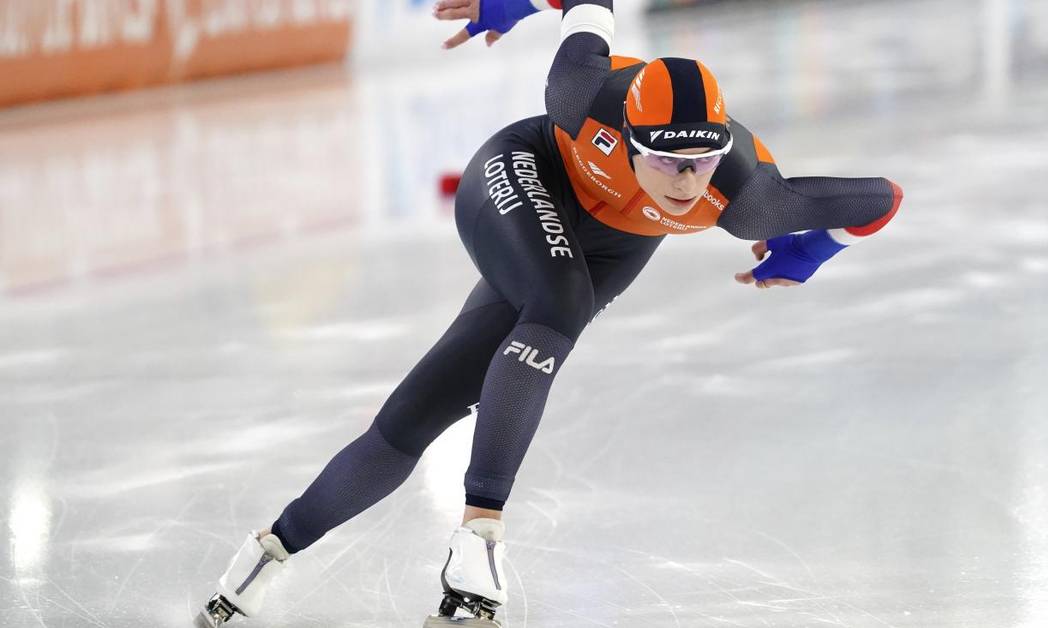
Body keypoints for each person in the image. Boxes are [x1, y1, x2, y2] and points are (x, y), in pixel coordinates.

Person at [194, 0, 903, 626]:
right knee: (557, 302)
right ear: (627, 134)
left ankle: (269, 551)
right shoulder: (581, 93)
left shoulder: (750, 199)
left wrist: (813, 250)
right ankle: (479, 538)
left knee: (423, 410)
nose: (686, 182)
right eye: (664, 159)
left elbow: (881, 199)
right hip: (523, 175)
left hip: (611, 250)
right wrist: (510, 4)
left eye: (704, 160)